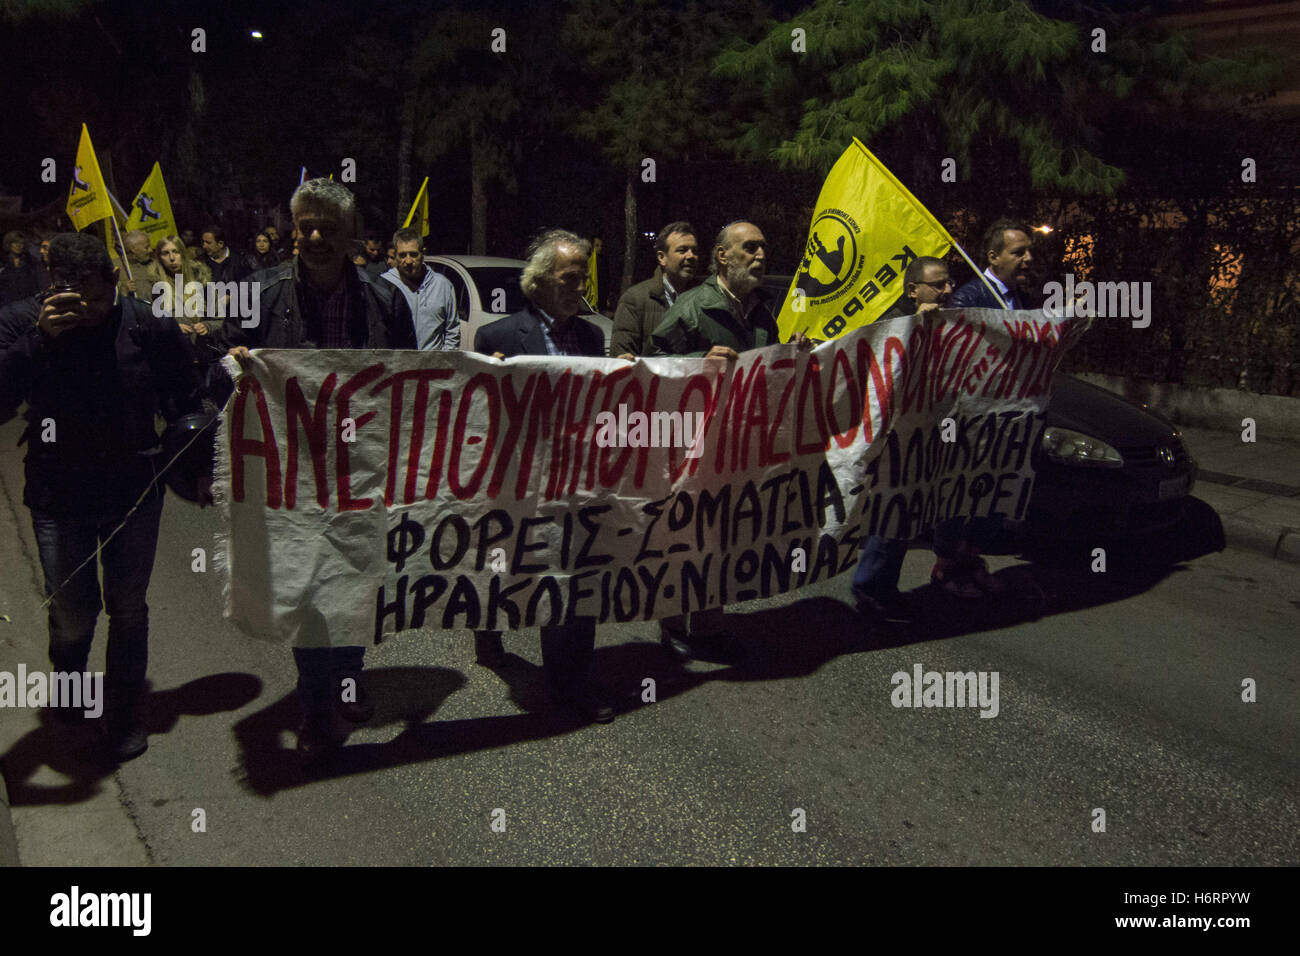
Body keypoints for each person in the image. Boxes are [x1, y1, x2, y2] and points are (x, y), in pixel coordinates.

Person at [224, 178, 416, 758]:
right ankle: (314, 707)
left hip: (361, 473)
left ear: (352, 238)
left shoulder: (385, 301)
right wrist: (230, 365)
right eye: (304, 226)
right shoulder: (258, 295)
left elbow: (414, 380)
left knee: (355, 585)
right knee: (310, 594)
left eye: (328, 229)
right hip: (292, 478)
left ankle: (349, 679)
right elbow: (214, 362)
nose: (313, 237)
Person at [0, 233, 209, 762]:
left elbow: (189, 397)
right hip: (56, 493)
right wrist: (40, 340)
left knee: (127, 607)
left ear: (113, 281)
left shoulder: (146, 325)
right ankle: (71, 686)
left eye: (93, 297)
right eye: (70, 297)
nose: (85, 311)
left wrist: (196, 467)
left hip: (132, 492)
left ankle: (121, 716)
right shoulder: (24, 321)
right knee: (72, 611)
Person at [472, 229, 615, 724]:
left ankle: (569, 684)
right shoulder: (498, 338)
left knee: (575, 579)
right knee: (503, 566)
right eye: (570, 276)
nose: (581, 286)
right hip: (520, 482)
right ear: (538, 284)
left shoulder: (594, 336)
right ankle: (487, 624)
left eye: (583, 276)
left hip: (577, 483)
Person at [649, 220, 809, 660]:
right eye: (750, 248)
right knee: (682, 536)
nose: (761, 256)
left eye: (763, 248)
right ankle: (670, 623)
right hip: (692, 445)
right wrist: (698, 359)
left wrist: (789, 354)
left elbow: (765, 370)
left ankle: (708, 622)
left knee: (719, 535)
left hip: (738, 446)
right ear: (723, 256)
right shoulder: (693, 307)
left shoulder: (759, 311)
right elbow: (654, 366)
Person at [850, 257, 955, 626]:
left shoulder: (949, 324)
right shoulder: (891, 324)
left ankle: (884, 587)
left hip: (926, 434)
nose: (946, 291)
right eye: (937, 284)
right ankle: (870, 588)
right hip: (894, 438)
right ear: (913, 290)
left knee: (906, 513)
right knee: (891, 511)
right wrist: (913, 325)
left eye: (948, 283)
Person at [610, 221, 700, 357]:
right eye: (682, 250)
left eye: (695, 251)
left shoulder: (705, 297)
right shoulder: (635, 299)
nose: (691, 256)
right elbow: (622, 354)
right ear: (662, 258)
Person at [380, 227, 459, 351]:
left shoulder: (442, 285)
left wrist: (443, 361)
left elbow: (452, 331)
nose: (408, 261)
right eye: (402, 255)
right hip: (398, 367)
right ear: (395, 255)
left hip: (433, 366)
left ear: (423, 253)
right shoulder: (384, 285)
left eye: (413, 254)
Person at [949, 219, 1034, 310]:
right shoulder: (967, 300)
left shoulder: (1025, 299)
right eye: (1019, 252)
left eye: (1031, 251)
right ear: (993, 258)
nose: (1029, 258)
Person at [147, 235, 218, 340]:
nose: (172, 258)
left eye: (175, 252)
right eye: (165, 253)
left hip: (204, 345)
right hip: (175, 348)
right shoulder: (154, 286)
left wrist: (208, 326)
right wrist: (172, 328)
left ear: (183, 254)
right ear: (159, 258)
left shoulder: (201, 279)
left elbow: (218, 317)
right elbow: (150, 324)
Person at [878, 256, 952, 320]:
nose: (948, 290)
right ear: (913, 290)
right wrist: (916, 322)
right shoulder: (889, 325)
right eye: (939, 285)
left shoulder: (951, 313)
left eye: (949, 282)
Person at [0, 231, 42, 307]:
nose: (18, 246)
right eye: (15, 243)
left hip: (27, 302)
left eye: (21, 243)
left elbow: (35, 284)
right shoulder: (3, 263)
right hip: (7, 303)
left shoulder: (30, 261)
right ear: (8, 244)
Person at [119, 230, 157, 302]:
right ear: (133, 250)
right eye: (146, 247)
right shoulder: (118, 268)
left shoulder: (154, 264)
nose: (150, 250)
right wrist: (124, 291)